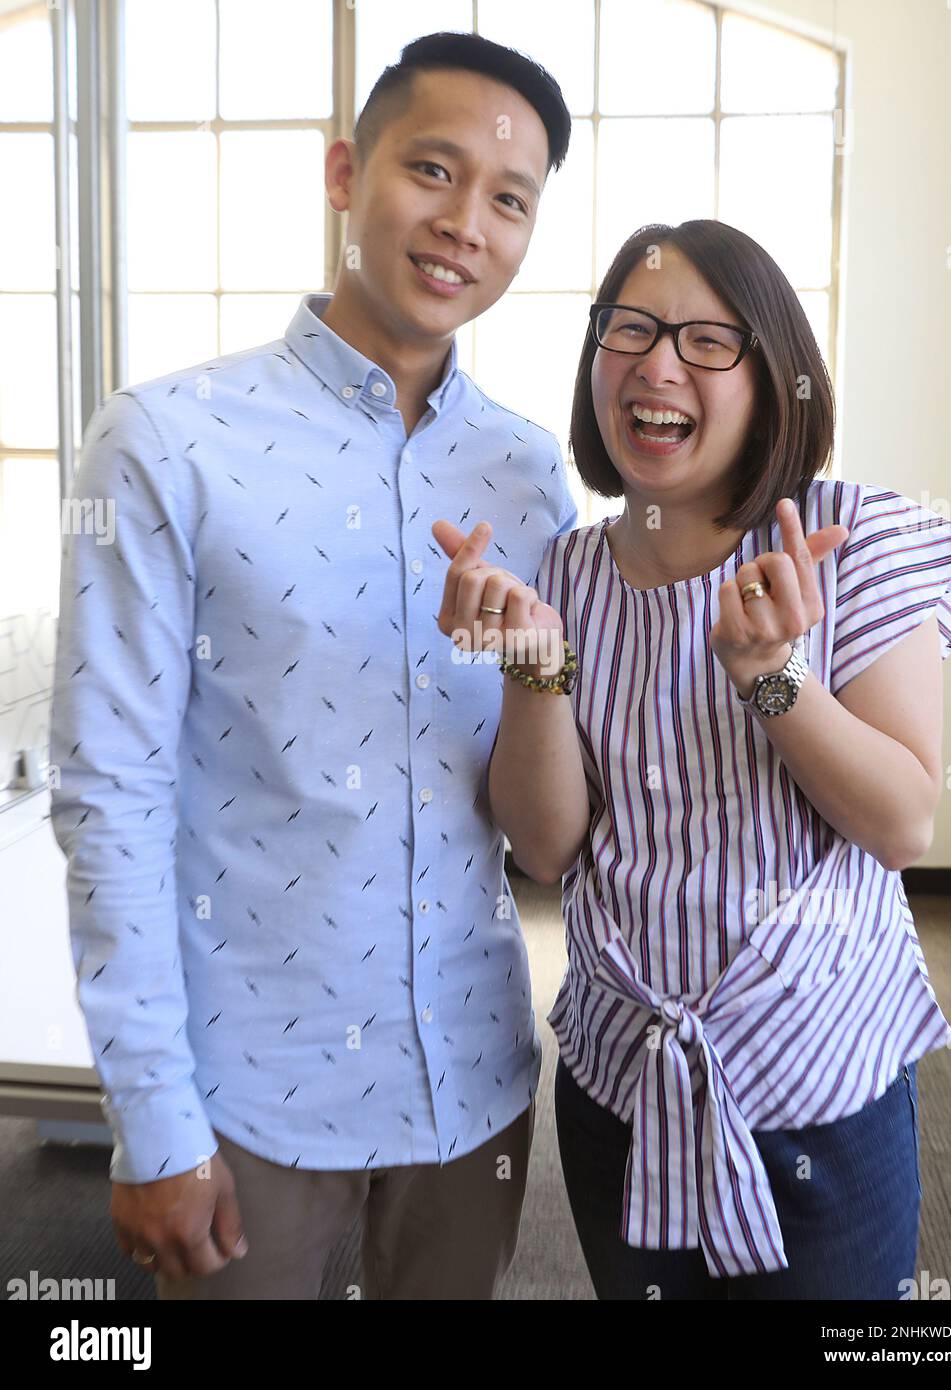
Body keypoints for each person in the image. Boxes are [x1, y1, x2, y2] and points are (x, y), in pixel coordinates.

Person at [48, 32, 577, 1300]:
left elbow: (535, 815)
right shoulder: (167, 440)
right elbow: (105, 798)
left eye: (509, 200)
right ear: (346, 173)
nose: (465, 224)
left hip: (474, 1085)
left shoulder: (526, 471)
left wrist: (534, 673)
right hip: (250, 1101)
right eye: (431, 171)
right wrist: (154, 1123)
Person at [433, 218, 951, 1299]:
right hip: (624, 1082)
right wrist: (533, 665)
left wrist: (767, 676)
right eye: (629, 329)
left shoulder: (850, 537)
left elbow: (900, 820)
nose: (655, 364)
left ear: (775, 375)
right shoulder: (573, 567)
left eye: (705, 340)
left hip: (816, 1088)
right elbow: (548, 846)